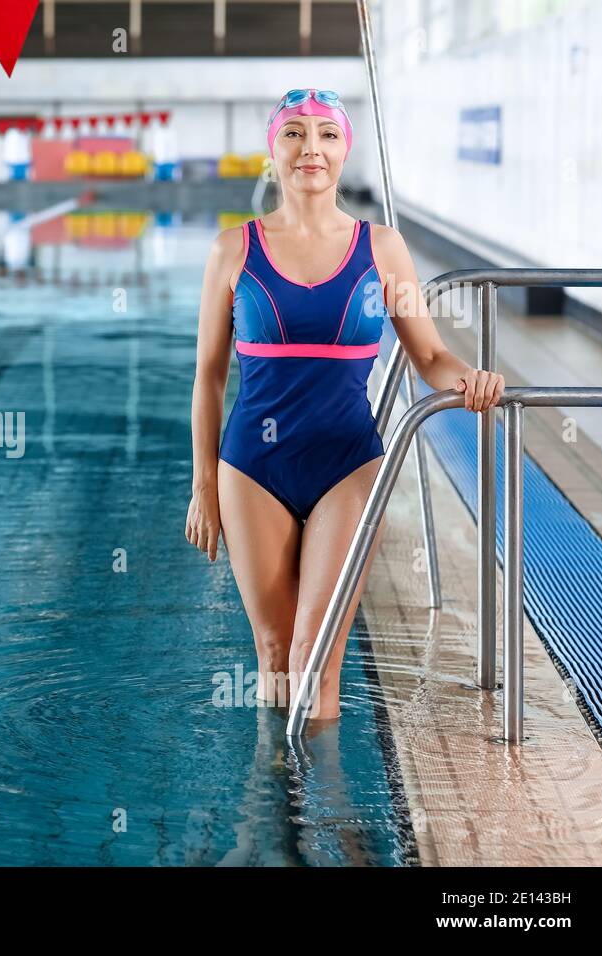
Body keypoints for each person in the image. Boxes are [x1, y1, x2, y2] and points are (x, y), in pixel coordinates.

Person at [185, 88, 504, 720]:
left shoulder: (383, 249)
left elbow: (430, 356)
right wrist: (203, 486)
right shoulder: (233, 248)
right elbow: (209, 377)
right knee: (275, 651)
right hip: (252, 468)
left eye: (327, 135)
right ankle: (276, 797)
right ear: (272, 150)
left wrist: (472, 379)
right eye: (294, 133)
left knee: (317, 650)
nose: (311, 148)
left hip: (347, 464)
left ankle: (319, 799)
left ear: (345, 149)